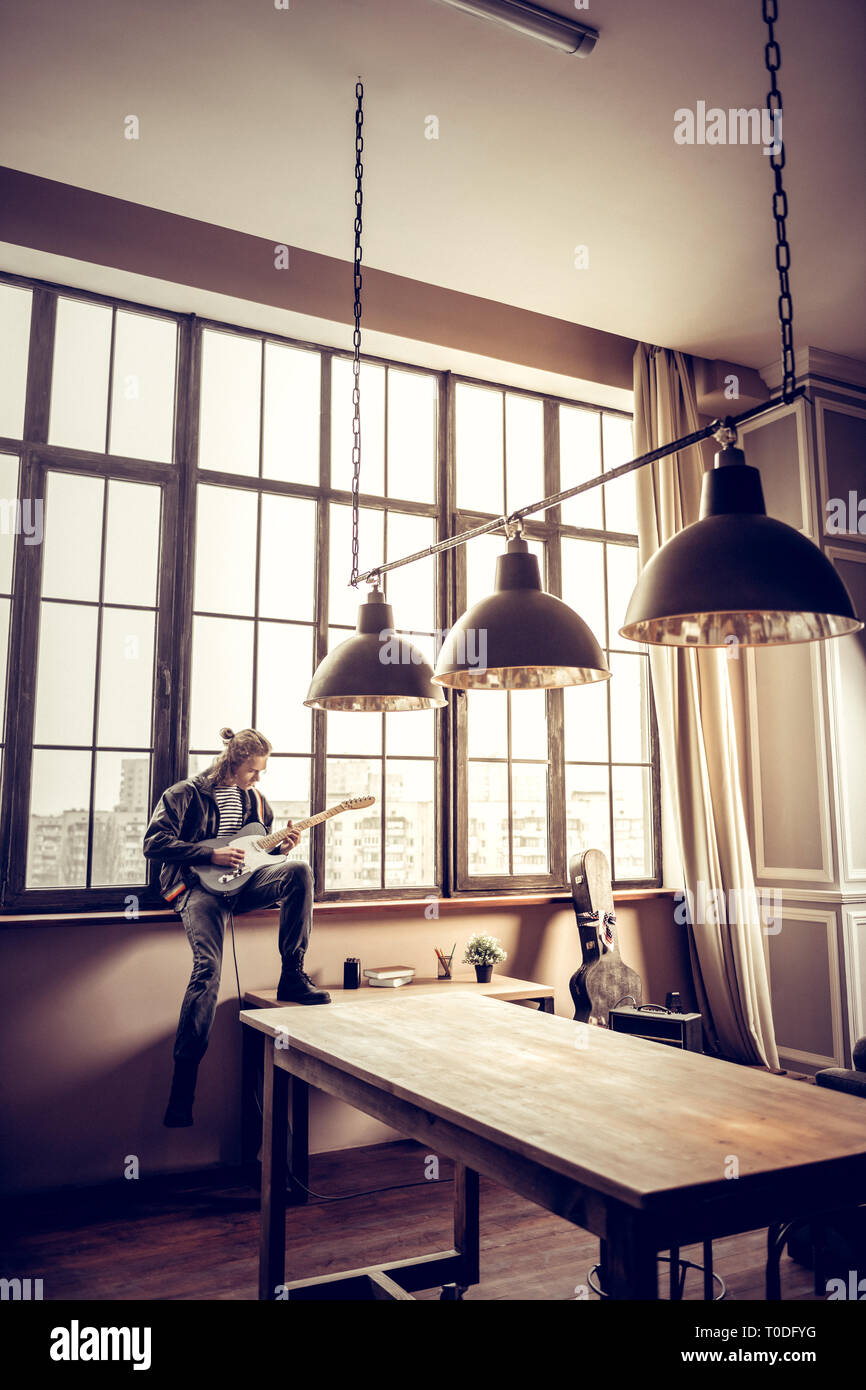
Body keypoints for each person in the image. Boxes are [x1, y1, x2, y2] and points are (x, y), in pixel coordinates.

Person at [143, 727, 330, 1128]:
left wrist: (280, 849)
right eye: (253, 771)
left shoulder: (258, 803)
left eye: (261, 771)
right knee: (208, 972)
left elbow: (255, 852)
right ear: (232, 762)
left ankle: (292, 976)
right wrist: (211, 854)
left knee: (298, 870)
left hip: (241, 887)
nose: (258, 778)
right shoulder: (184, 794)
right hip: (196, 889)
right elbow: (154, 843)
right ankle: (182, 1091)